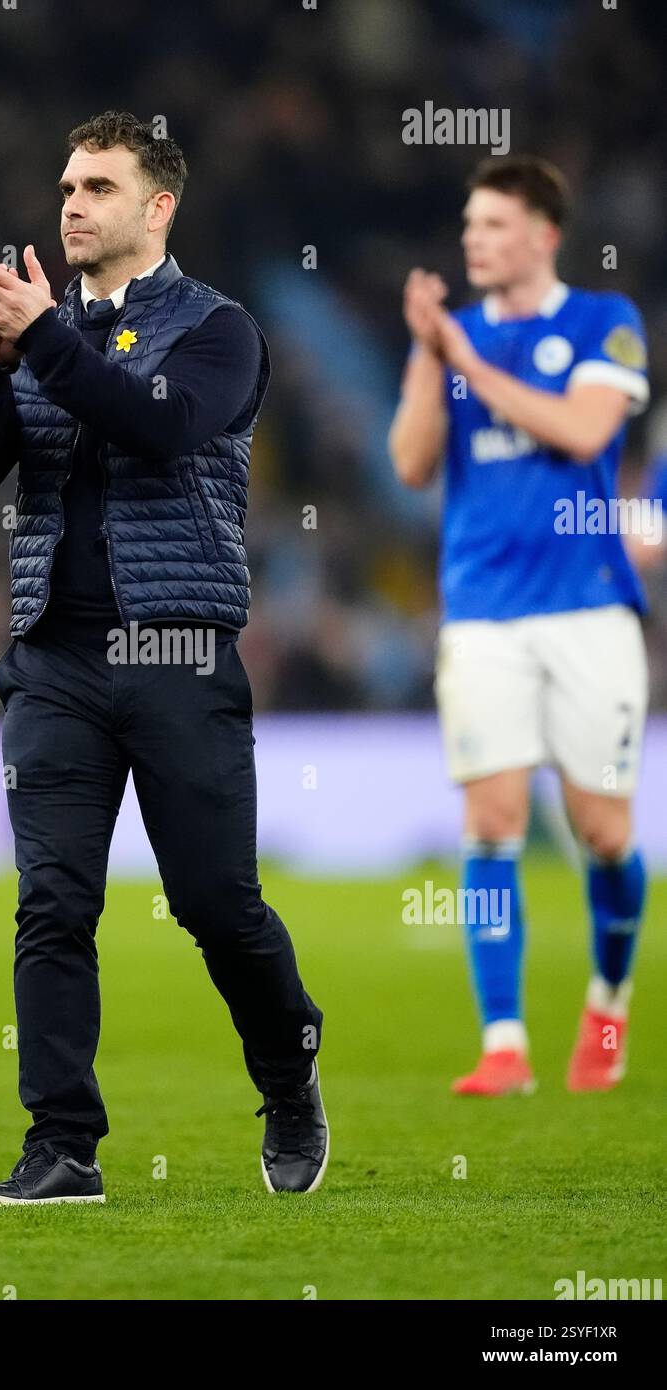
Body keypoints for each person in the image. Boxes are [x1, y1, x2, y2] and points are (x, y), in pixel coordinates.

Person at [0, 110, 326, 1201]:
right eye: (65, 184)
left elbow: (155, 424)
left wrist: (42, 341)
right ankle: (62, 1147)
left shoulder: (217, 330)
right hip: (53, 657)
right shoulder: (34, 332)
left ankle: (289, 1071)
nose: (70, 203)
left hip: (176, 655)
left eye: (97, 186)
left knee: (214, 902)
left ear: (158, 208)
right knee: (52, 902)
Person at [389, 156, 650, 1097]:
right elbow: (412, 463)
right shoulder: (452, 343)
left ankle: (607, 1007)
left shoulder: (603, 322)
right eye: (468, 226)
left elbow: (582, 432)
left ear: (543, 234)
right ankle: (504, 1044)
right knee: (492, 819)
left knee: (605, 834)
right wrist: (429, 353)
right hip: (484, 615)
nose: (473, 240)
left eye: (493, 225)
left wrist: (465, 363)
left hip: (589, 610)